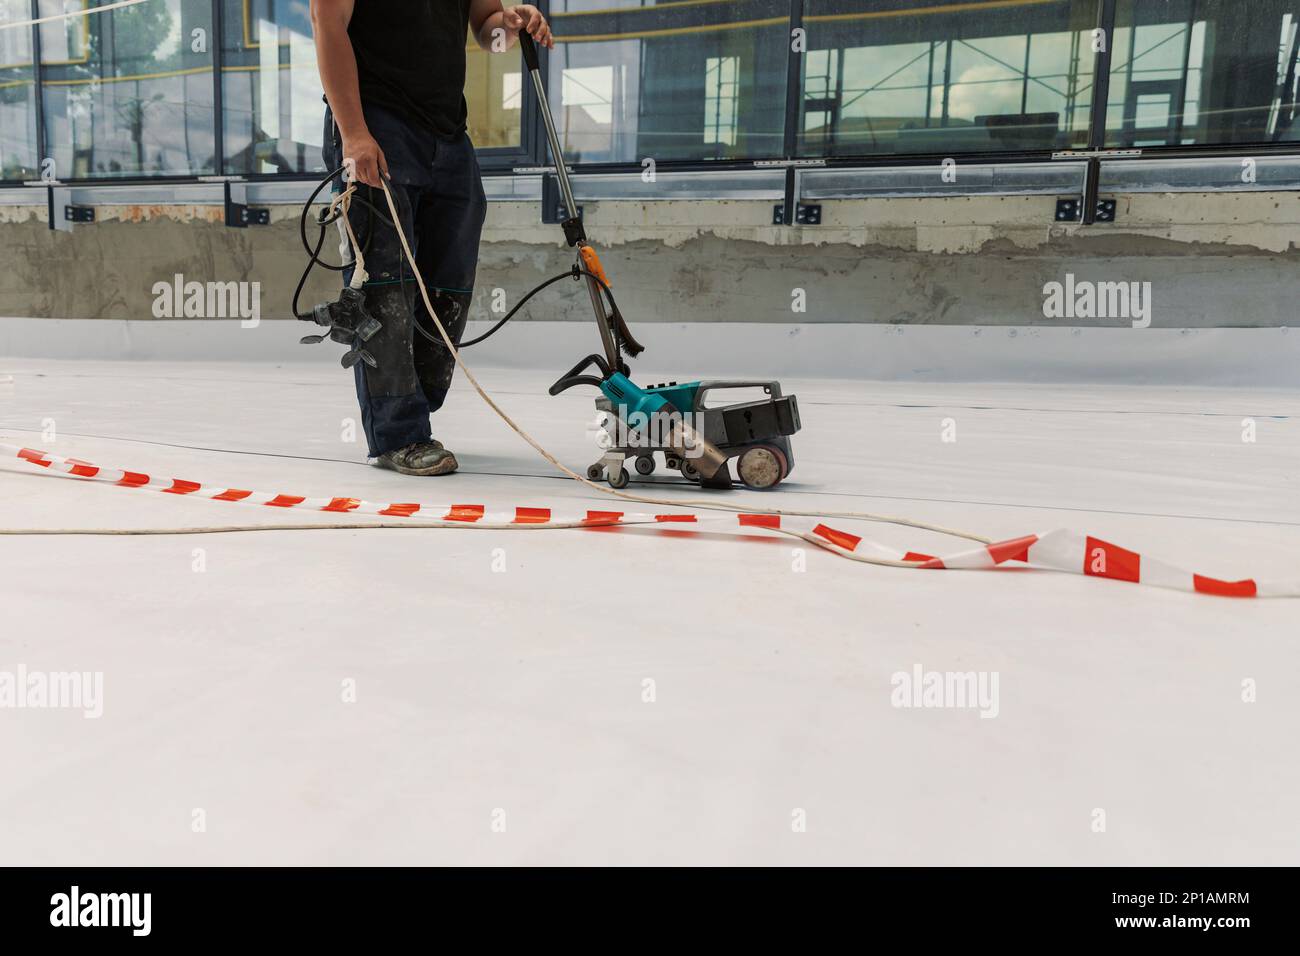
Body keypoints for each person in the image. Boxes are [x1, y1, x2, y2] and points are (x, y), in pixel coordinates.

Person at [310, 1, 554, 475]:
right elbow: (327, 23)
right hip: (376, 122)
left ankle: (414, 403)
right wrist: (353, 134)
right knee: (384, 280)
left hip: (445, 129)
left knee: (451, 272)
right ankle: (398, 433)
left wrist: (509, 25)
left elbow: (487, 30)